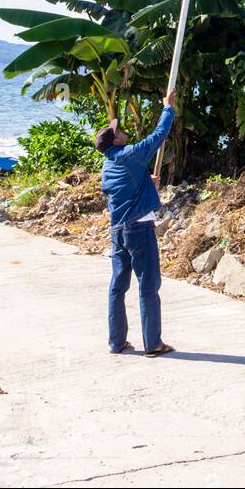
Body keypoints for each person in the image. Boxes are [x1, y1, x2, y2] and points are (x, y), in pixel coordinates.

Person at [96, 90, 177, 356]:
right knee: (148, 285)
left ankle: (116, 342)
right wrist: (168, 108)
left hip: (117, 231)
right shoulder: (128, 155)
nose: (120, 130)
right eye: (117, 131)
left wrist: (144, 181)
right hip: (138, 229)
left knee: (117, 287)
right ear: (116, 140)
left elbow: (118, 193)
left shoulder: (108, 167)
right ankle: (152, 343)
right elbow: (157, 137)